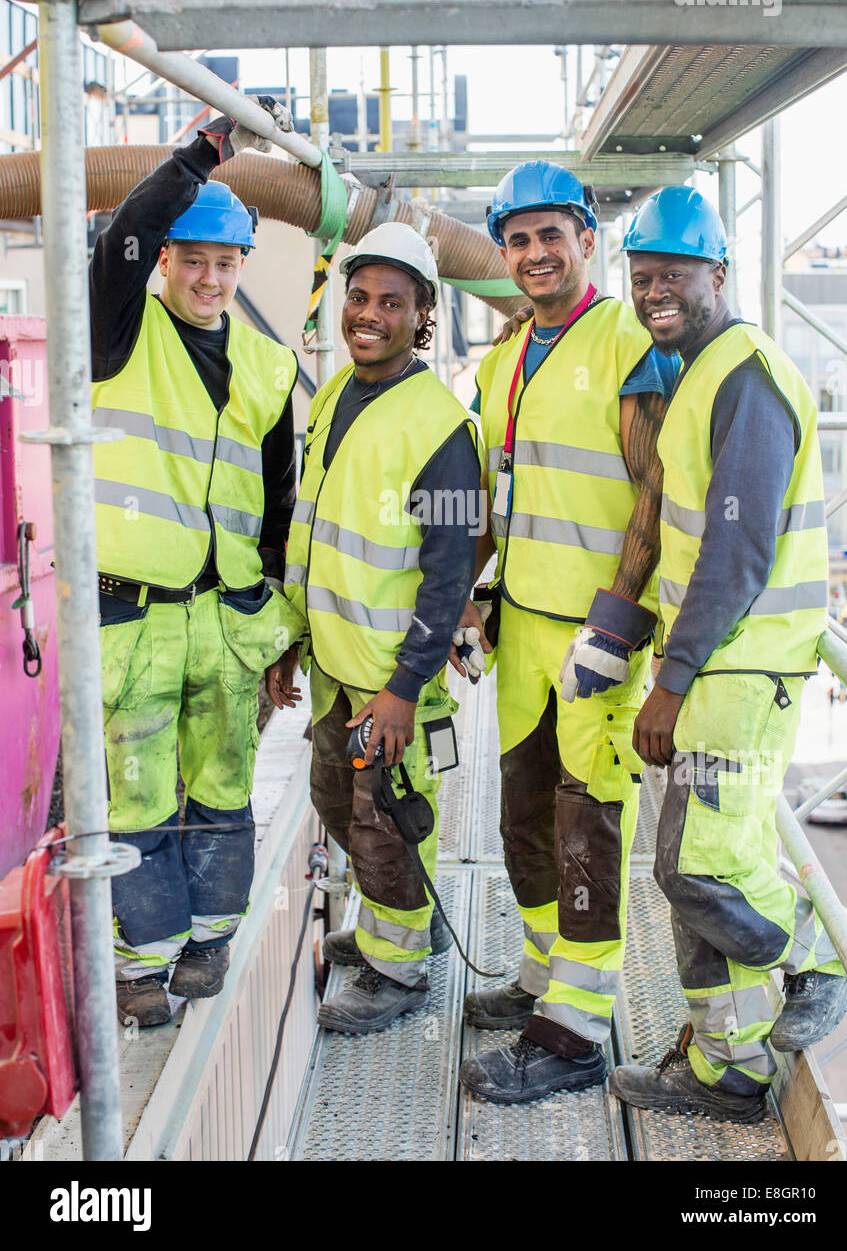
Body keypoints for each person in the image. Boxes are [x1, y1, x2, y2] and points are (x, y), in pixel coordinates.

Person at [608, 185, 847, 1124]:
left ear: (719, 273)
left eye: (673, 271)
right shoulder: (700, 373)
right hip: (719, 663)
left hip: (738, 669)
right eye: (641, 275)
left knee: (695, 869)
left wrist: (668, 685)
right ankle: (730, 1070)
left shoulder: (743, 375)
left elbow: (738, 552)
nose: (654, 288)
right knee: (700, 864)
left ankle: (810, 956)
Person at [454, 161, 680, 1104]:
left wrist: (618, 623)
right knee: (522, 816)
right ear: (502, 252)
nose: (535, 253)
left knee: (588, 830)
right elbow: (495, 494)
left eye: (554, 235)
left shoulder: (630, 339)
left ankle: (577, 1031)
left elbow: (658, 488)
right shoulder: (505, 357)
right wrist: (472, 596)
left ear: (587, 239)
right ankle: (545, 975)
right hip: (525, 629)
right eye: (518, 239)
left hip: (599, 639)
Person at [92, 96, 299, 1027]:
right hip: (133, 613)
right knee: (136, 793)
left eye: (226, 263)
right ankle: (143, 964)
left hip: (228, 616)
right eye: (194, 261)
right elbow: (118, 239)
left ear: (243, 266)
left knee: (221, 788)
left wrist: (277, 622)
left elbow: (281, 501)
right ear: (165, 261)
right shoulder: (121, 333)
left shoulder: (267, 368)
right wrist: (204, 153)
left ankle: (209, 941)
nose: (211, 279)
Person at [266, 222, 483, 1034]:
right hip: (334, 667)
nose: (368, 313)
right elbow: (312, 536)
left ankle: (400, 970)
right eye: (359, 297)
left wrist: (402, 688)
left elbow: (450, 572)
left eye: (391, 302)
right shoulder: (334, 396)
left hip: (393, 687)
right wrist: (291, 643)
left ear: (421, 314)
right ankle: (390, 930)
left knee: (386, 818)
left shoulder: (441, 428)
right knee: (336, 800)